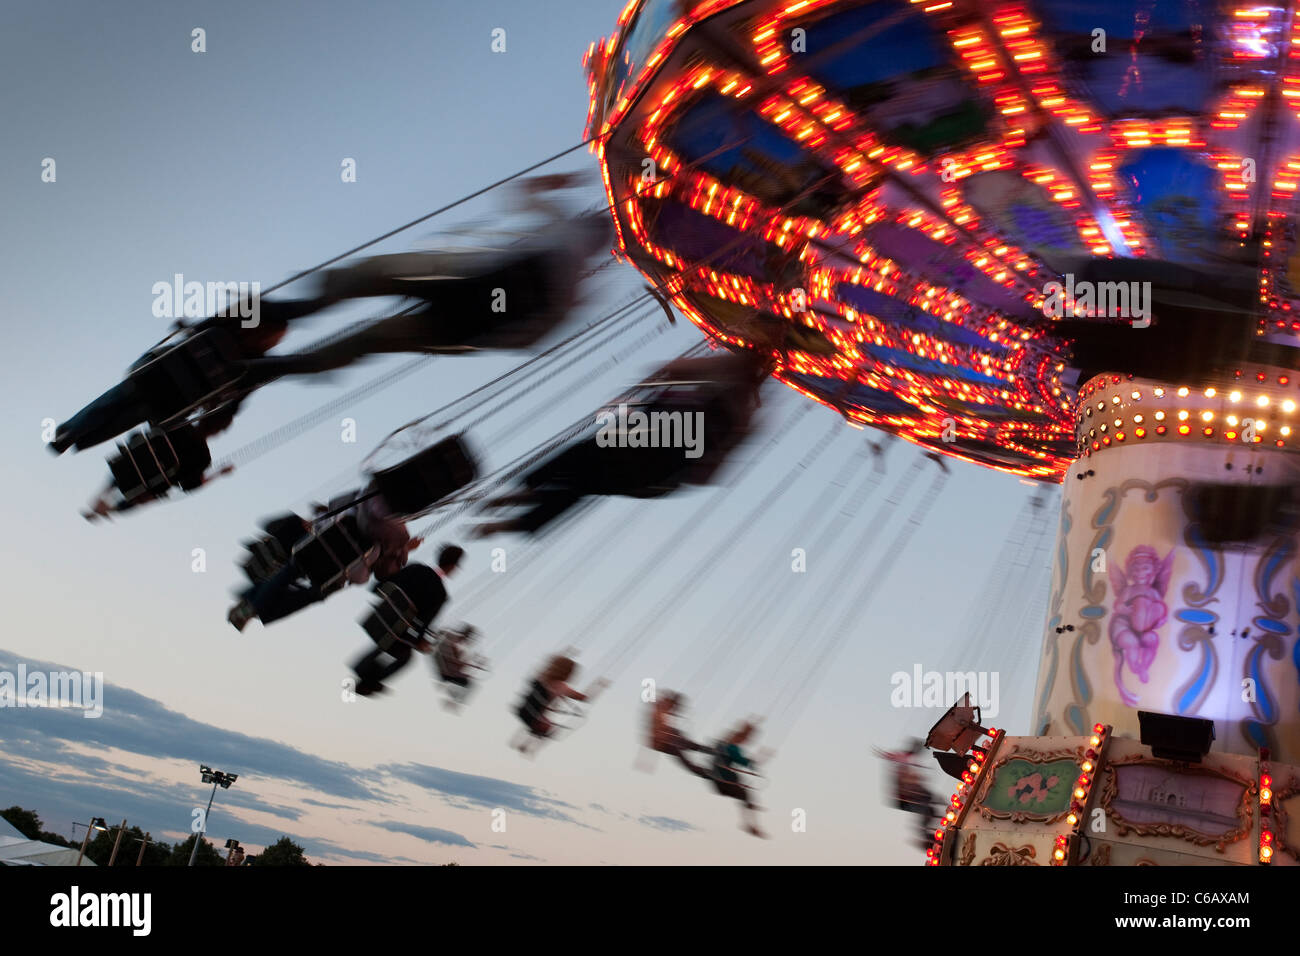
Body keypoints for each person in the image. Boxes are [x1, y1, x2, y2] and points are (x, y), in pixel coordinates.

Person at [239, 177, 613, 383]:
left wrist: (562, 181)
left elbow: (519, 193)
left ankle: (293, 313)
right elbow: (529, 339)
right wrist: (473, 340)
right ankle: (283, 364)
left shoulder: (562, 229)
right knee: (370, 336)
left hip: (459, 281)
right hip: (461, 319)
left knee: (371, 279)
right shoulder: (573, 291)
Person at [50, 296, 313, 456]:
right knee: (122, 420)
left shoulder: (222, 330)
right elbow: (233, 402)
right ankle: (80, 439)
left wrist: (186, 328)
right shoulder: (249, 366)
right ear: (266, 337)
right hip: (173, 400)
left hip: (155, 372)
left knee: (110, 402)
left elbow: (195, 330)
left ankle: (71, 433)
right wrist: (214, 418)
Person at [351, 544, 464, 696]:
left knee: (389, 644)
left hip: (378, 619)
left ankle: (364, 675)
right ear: (453, 566)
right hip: (395, 632)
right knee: (405, 656)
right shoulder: (440, 594)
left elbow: (383, 584)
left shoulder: (415, 568)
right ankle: (367, 679)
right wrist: (421, 643)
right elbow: (423, 623)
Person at [513, 655, 605, 755]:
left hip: (523, 711)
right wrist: (598, 687)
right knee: (550, 729)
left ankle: (524, 743)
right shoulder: (560, 686)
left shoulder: (541, 677)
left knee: (544, 722)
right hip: (535, 718)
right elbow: (583, 698)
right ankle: (530, 748)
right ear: (567, 673)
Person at [878, 739, 940, 850]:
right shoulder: (903, 757)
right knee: (927, 809)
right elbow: (896, 762)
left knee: (930, 806)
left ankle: (929, 835)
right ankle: (926, 839)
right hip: (904, 798)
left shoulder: (907, 759)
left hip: (910, 794)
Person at [710, 721, 767, 838]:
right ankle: (750, 824)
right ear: (743, 737)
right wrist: (757, 760)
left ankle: (750, 818)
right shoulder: (732, 747)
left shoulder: (725, 742)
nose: (747, 742)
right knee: (745, 796)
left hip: (717, 780)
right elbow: (742, 760)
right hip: (723, 781)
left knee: (745, 796)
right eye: (747, 739)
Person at [647, 692, 712, 778]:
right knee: (679, 749)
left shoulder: (664, 708)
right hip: (660, 742)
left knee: (684, 741)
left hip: (665, 738)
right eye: (675, 708)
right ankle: (703, 771)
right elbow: (658, 725)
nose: (674, 711)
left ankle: (708, 750)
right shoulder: (661, 710)